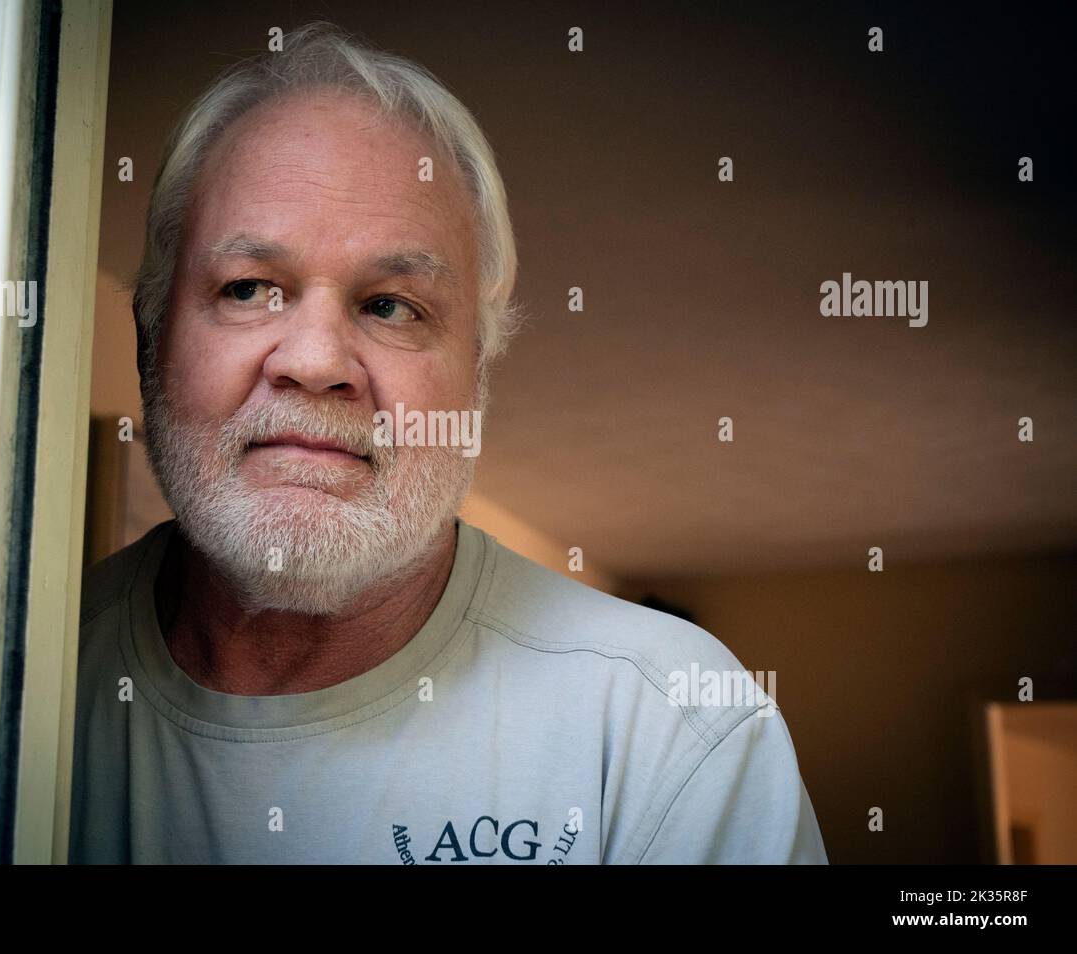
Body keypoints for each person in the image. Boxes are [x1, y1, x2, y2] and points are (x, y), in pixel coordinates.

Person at [69, 21, 828, 864]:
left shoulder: (672, 726)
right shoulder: (7, 687)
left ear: (479, 371)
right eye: (249, 288)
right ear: (151, 334)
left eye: (392, 305)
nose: (317, 363)